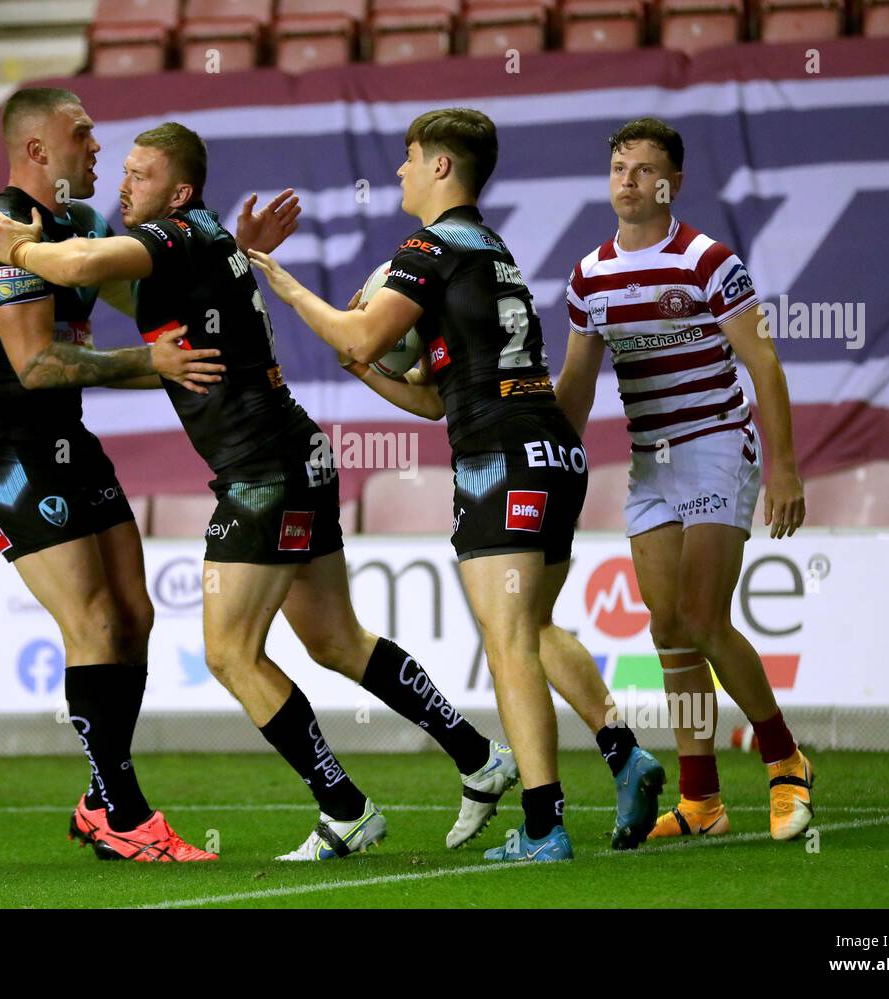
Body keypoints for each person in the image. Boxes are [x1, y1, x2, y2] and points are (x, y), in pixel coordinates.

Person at [0, 121, 518, 862]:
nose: (123, 182)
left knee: (230, 652)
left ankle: (344, 807)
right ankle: (479, 757)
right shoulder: (201, 239)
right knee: (335, 639)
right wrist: (222, 255)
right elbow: (128, 293)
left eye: (140, 172)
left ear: (180, 190)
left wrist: (19, 250)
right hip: (298, 454)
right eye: (121, 170)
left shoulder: (171, 236)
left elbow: (83, 263)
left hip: (263, 472)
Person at [248, 107, 666, 862]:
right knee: (532, 631)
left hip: (499, 459)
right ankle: (624, 754)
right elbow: (433, 396)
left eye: (409, 158)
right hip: (552, 453)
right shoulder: (490, 249)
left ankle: (543, 827)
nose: (401, 171)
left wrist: (288, 289)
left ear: (441, 167)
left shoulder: (428, 247)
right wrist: (365, 366)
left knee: (507, 645)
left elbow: (360, 333)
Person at [0, 87, 236, 863]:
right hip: (5, 453)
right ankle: (122, 809)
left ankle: (100, 796)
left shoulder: (79, 226)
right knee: (94, 623)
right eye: (82, 136)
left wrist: (233, 274)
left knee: (137, 616)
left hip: (66, 441)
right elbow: (38, 362)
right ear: (39, 150)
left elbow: (142, 302)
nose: (97, 148)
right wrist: (152, 362)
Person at [555, 117, 813, 842]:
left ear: (672, 182)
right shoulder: (589, 276)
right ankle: (701, 800)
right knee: (668, 629)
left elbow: (763, 362)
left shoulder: (709, 260)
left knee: (702, 617)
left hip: (716, 446)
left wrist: (785, 467)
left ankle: (786, 760)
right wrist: (545, 461)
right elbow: (575, 388)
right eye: (618, 168)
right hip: (649, 460)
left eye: (643, 169)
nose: (628, 181)